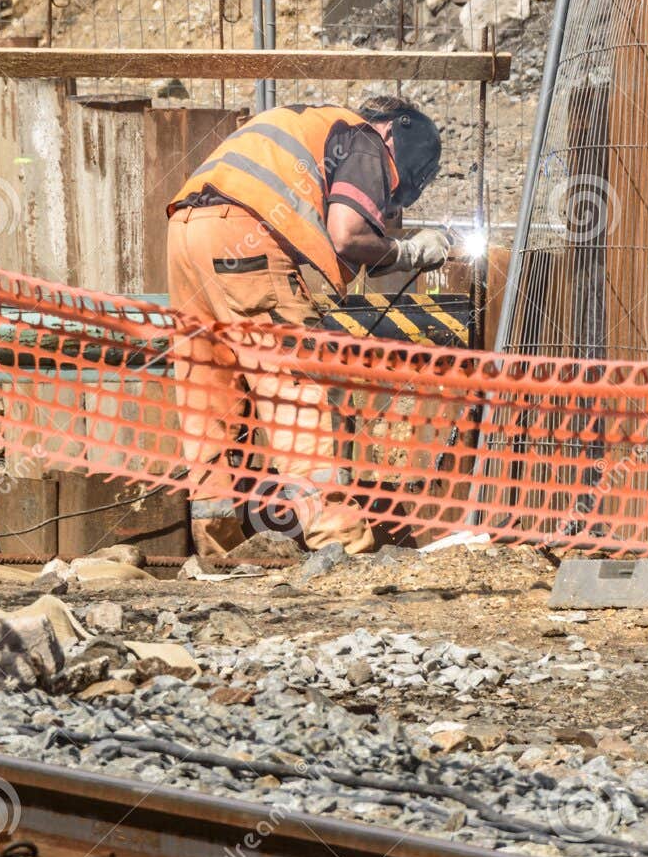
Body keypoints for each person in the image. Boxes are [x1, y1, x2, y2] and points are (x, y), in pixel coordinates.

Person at [164, 95, 449, 555]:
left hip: (186, 231)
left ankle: (217, 544)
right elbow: (347, 233)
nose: (390, 196)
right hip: (240, 239)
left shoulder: (310, 125)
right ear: (395, 134)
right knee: (292, 387)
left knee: (209, 389)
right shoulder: (365, 139)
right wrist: (409, 251)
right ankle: (340, 540)